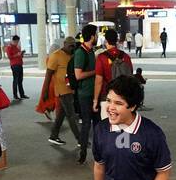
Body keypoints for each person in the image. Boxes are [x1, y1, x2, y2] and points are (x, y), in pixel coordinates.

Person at [71, 24, 101, 165]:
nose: (97, 37)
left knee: (98, 124)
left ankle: (98, 153)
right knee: (86, 124)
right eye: (96, 34)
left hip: (94, 92)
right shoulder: (80, 53)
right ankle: (83, 152)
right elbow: (78, 75)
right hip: (84, 94)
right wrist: (95, 72)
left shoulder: (90, 51)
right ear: (92, 36)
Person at [94, 28, 134, 121]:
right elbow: (130, 77)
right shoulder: (126, 57)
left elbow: (98, 81)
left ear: (106, 40)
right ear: (117, 40)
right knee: (122, 125)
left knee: (107, 125)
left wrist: (95, 100)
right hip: (123, 97)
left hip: (107, 96)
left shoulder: (101, 57)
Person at [46, 37, 78, 146]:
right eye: (70, 45)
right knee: (71, 115)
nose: (72, 48)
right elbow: (48, 74)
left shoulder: (72, 55)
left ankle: (53, 136)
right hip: (62, 90)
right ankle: (80, 140)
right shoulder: (55, 55)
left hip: (71, 89)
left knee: (61, 115)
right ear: (64, 44)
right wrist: (45, 92)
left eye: (74, 45)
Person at [4, 35, 27, 100]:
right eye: (16, 41)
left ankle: (22, 94)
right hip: (14, 65)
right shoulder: (9, 47)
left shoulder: (17, 47)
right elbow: (9, 57)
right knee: (16, 80)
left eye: (18, 41)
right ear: (14, 40)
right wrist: (17, 54)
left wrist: (21, 54)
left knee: (20, 80)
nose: (17, 42)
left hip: (20, 64)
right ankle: (15, 95)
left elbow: (19, 56)